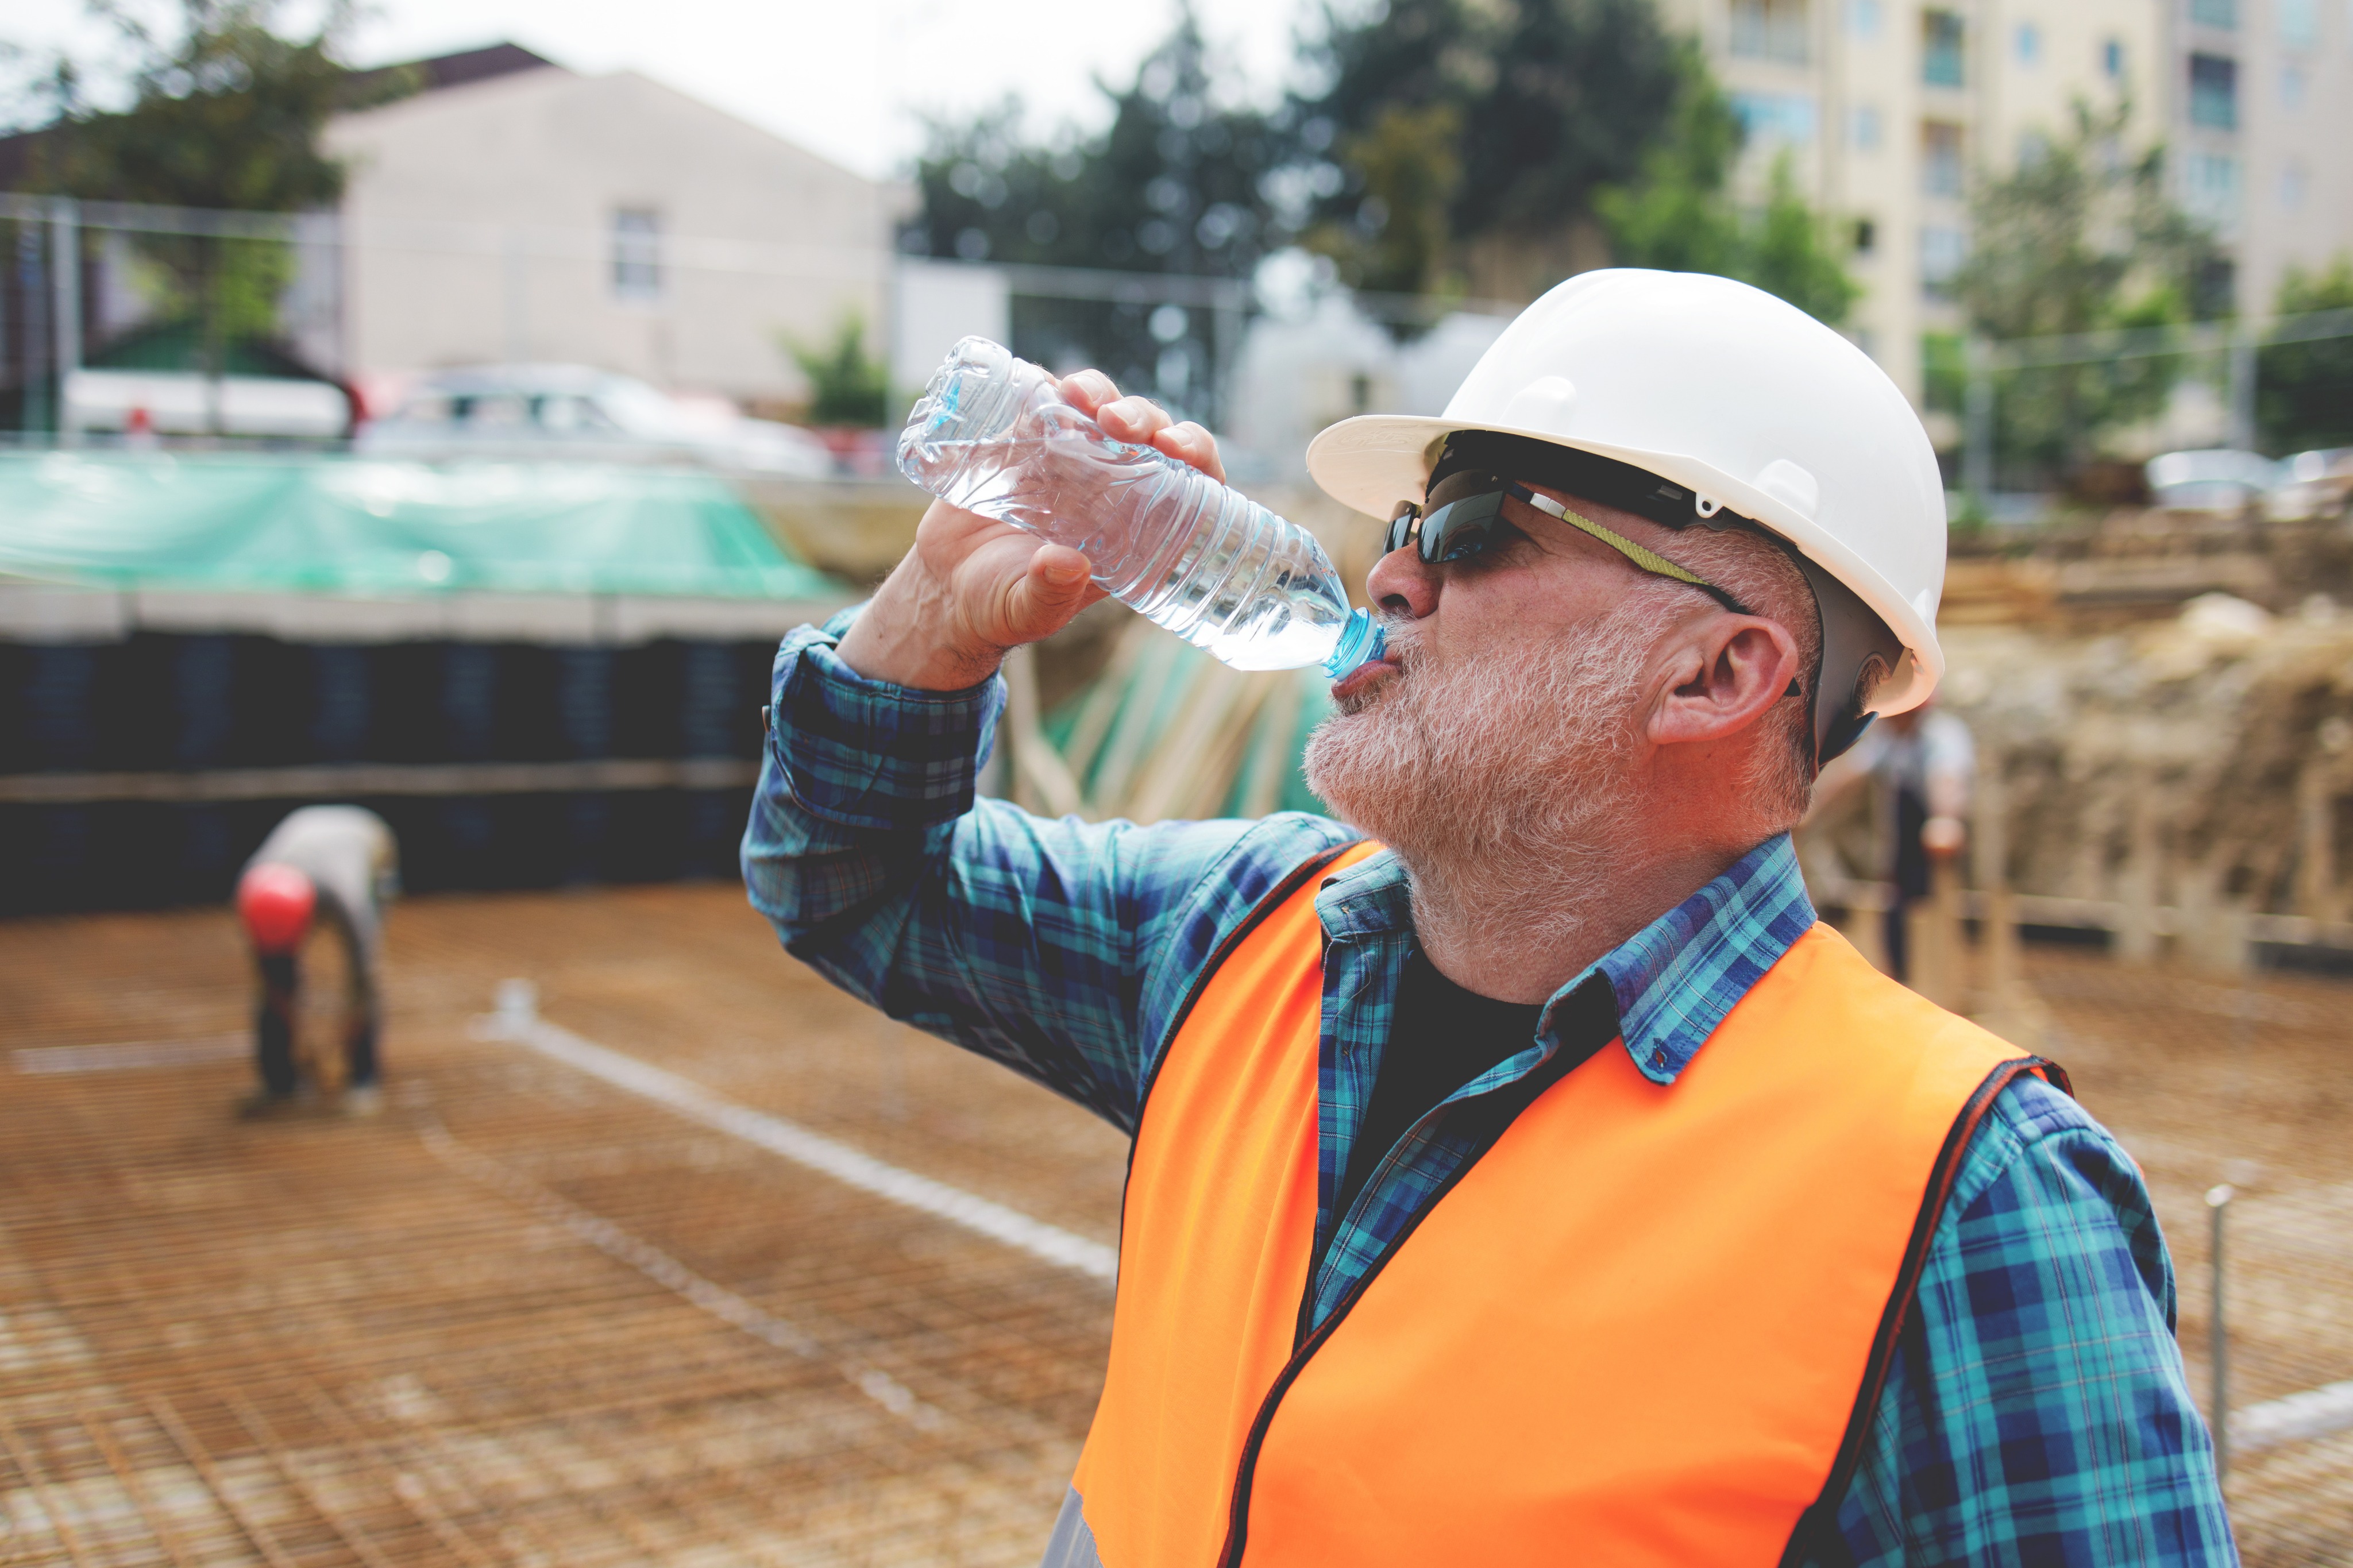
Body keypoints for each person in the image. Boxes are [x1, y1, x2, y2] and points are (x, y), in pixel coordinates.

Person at [745, 272, 2232, 1566]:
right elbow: (853, 875)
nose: (1389, 570)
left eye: (1470, 527)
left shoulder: (1969, 1201)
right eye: (1405, 518)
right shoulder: (1236, 941)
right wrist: (934, 617)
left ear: (1716, 675)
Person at [234, 804, 399, 1117]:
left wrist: (350, 1025)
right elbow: (270, 979)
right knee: (274, 984)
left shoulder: (347, 899)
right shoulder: (251, 891)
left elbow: (364, 973)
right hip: (306, 831)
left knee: (363, 980)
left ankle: (364, 1076)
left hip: (367, 837)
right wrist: (290, 1019)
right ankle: (279, 1080)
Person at [1814, 698, 1978, 981]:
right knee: (1897, 908)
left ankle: (1940, 980)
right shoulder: (1887, 738)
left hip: (1938, 841)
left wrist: (1944, 820)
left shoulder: (1943, 735)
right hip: (1903, 844)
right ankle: (1904, 977)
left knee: (1936, 909)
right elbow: (1852, 775)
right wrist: (1811, 807)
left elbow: (1947, 780)